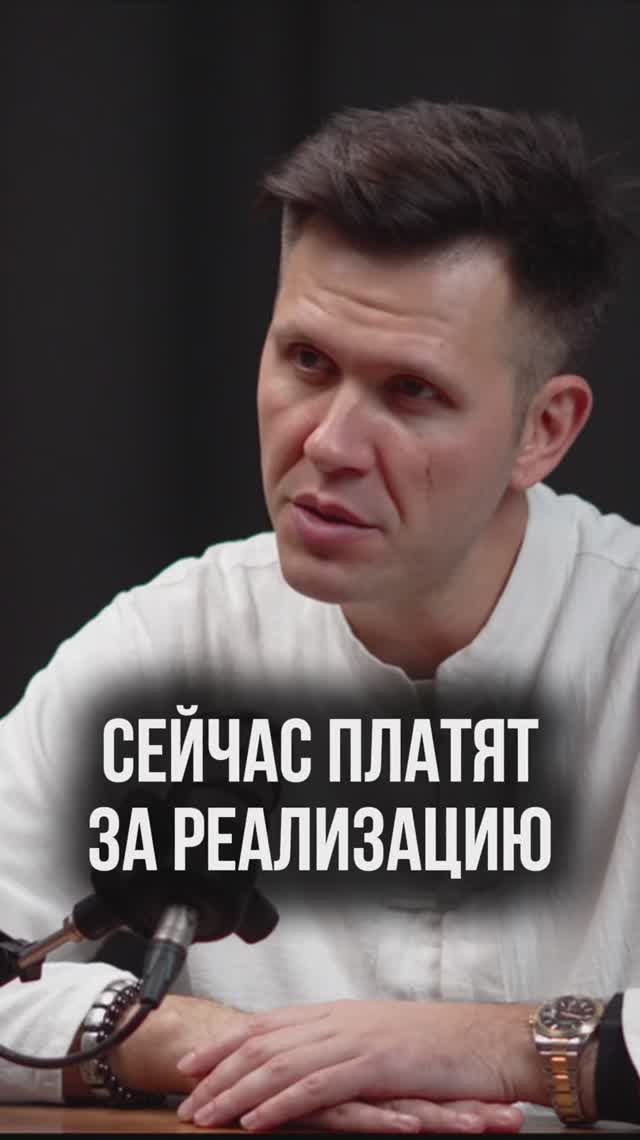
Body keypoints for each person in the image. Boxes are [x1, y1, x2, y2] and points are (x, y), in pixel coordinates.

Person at [1, 99, 640, 1134]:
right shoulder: (170, 641)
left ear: (544, 429)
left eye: (411, 391)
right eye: (306, 362)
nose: (330, 443)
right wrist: (203, 1045)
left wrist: (500, 1048)